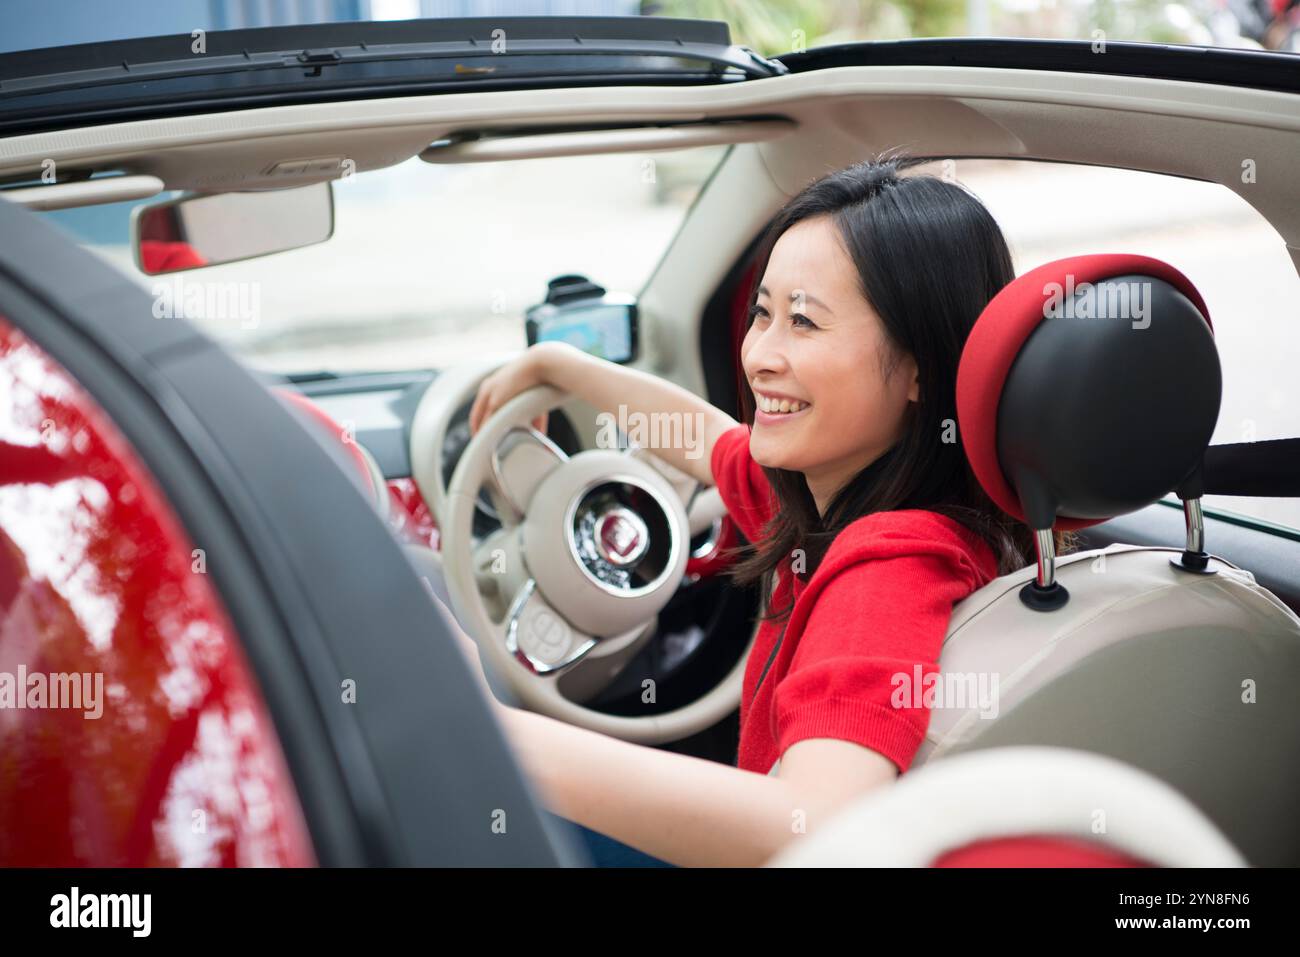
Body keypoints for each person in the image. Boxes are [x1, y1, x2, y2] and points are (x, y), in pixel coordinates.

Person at [448, 153, 1075, 868]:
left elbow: (815, 825)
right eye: (762, 314)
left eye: (804, 322)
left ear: (919, 369)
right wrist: (566, 368)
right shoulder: (840, 496)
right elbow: (705, 439)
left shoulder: (888, 566)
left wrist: (480, 721)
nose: (759, 358)